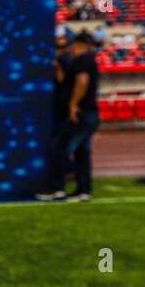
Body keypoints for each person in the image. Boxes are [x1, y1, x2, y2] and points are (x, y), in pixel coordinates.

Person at [38, 30, 100, 202]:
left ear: (77, 45)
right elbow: (66, 80)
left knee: (59, 148)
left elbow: (82, 82)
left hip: (81, 113)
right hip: (88, 112)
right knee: (81, 153)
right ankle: (83, 190)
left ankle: (56, 188)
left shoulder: (83, 59)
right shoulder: (85, 60)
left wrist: (73, 105)